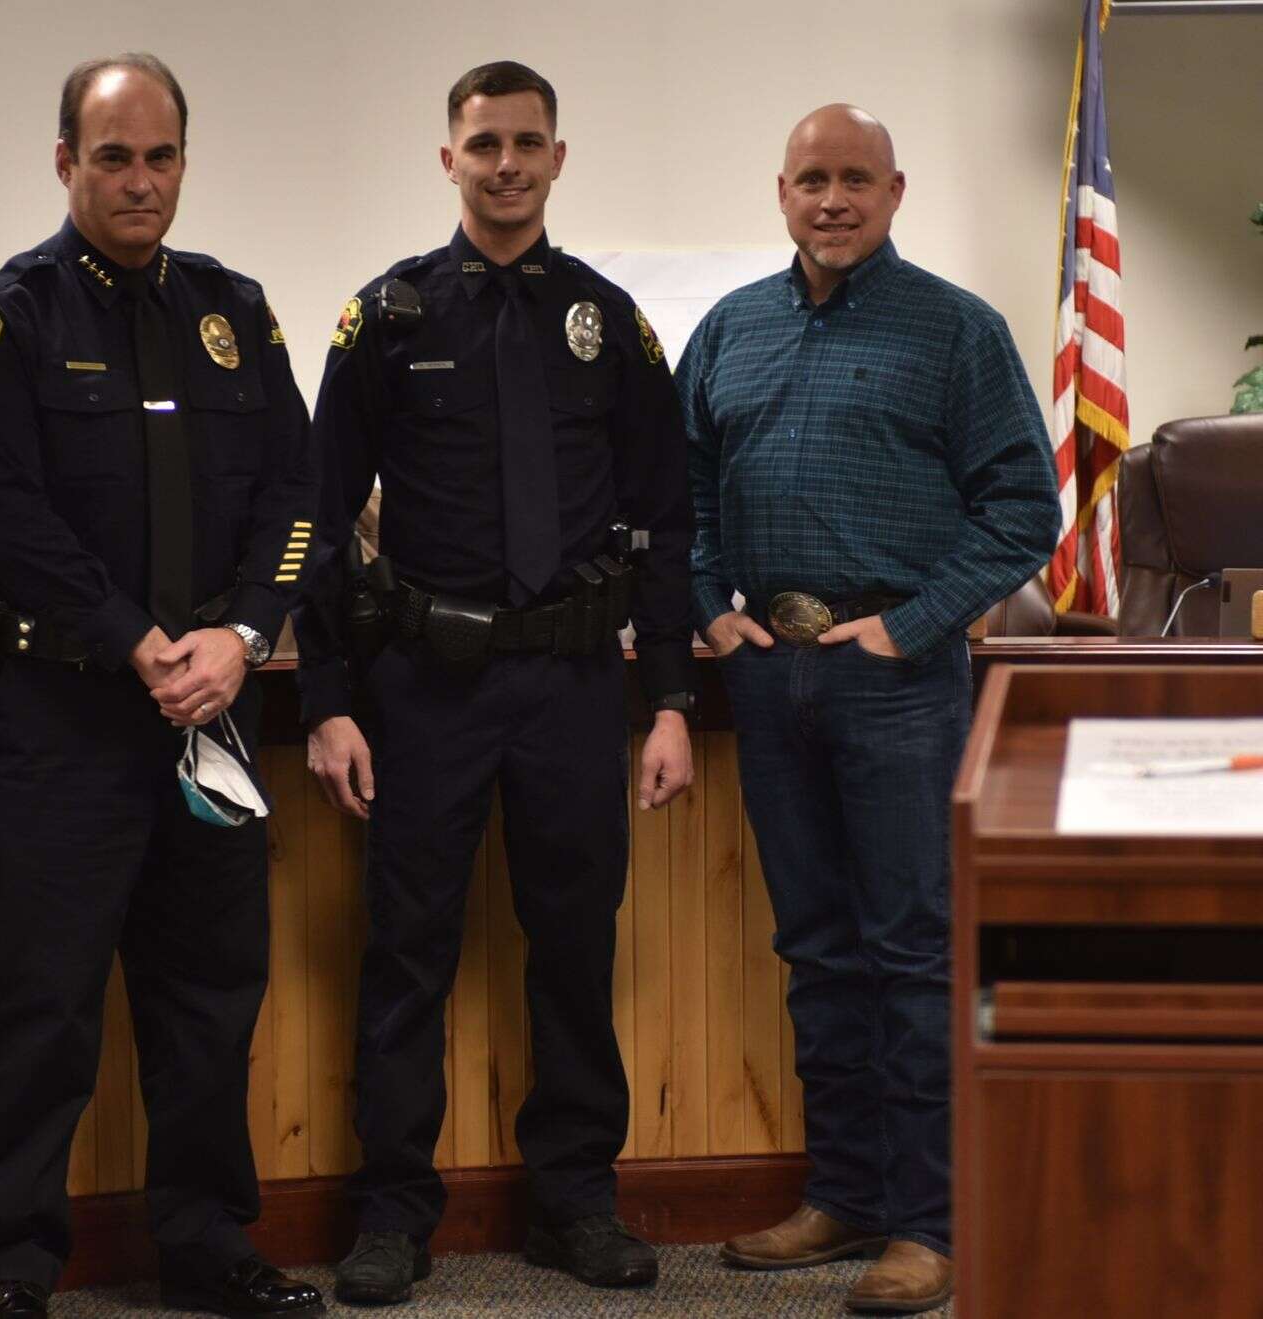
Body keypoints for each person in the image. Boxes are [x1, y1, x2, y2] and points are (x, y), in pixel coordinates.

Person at [0, 53, 322, 1319]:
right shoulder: (6, 318)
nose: (138, 181)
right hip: (60, 718)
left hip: (212, 712)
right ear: (64, 163)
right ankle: (16, 1265)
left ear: (183, 164)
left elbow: (297, 494)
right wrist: (133, 634)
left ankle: (207, 1244)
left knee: (210, 997)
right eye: (112, 157)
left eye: (159, 157)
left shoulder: (235, 309)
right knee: (43, 1002)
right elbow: (3, 507)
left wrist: (245, 633)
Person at [298, 60, 697, 1307]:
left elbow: (665, 521)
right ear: (449, 159)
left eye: (528, 142)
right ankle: (392, 1213)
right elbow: (312, 521)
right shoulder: (389, 317)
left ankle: (576, 1198)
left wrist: (672, 696)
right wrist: (325, 698)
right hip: (425, 680)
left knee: (574, 949)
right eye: (485, 143)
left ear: (558, 159)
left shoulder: (610, 321)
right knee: (406, 952)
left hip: (573, 684)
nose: (507, 163)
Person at [675, 104, 1060, 1314]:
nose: (831, 199)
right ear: (778, 192)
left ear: (894, 192)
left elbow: (1022, 511)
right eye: (810, 180)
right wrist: (707, 605)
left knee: (909, 949)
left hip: (897, 673)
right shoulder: (728, 329)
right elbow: (677, 491)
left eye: (854, 179)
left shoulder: (955, 330)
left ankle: (927, 1221)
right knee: (816, 950)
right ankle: (840, 1193)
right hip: (769, 672)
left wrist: (911, 621)